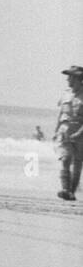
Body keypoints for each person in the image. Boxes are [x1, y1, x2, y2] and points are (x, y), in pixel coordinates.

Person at [54, 65, 83, 201]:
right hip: (64, 132)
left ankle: (71, 192)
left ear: (77, 78)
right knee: (65, 159)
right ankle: (65, 189)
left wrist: (78, 133)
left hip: (80, 134)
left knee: (77, 163)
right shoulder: (66, 94)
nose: (67, 80)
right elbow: (61, 114)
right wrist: (56, 130)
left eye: (70, 77)